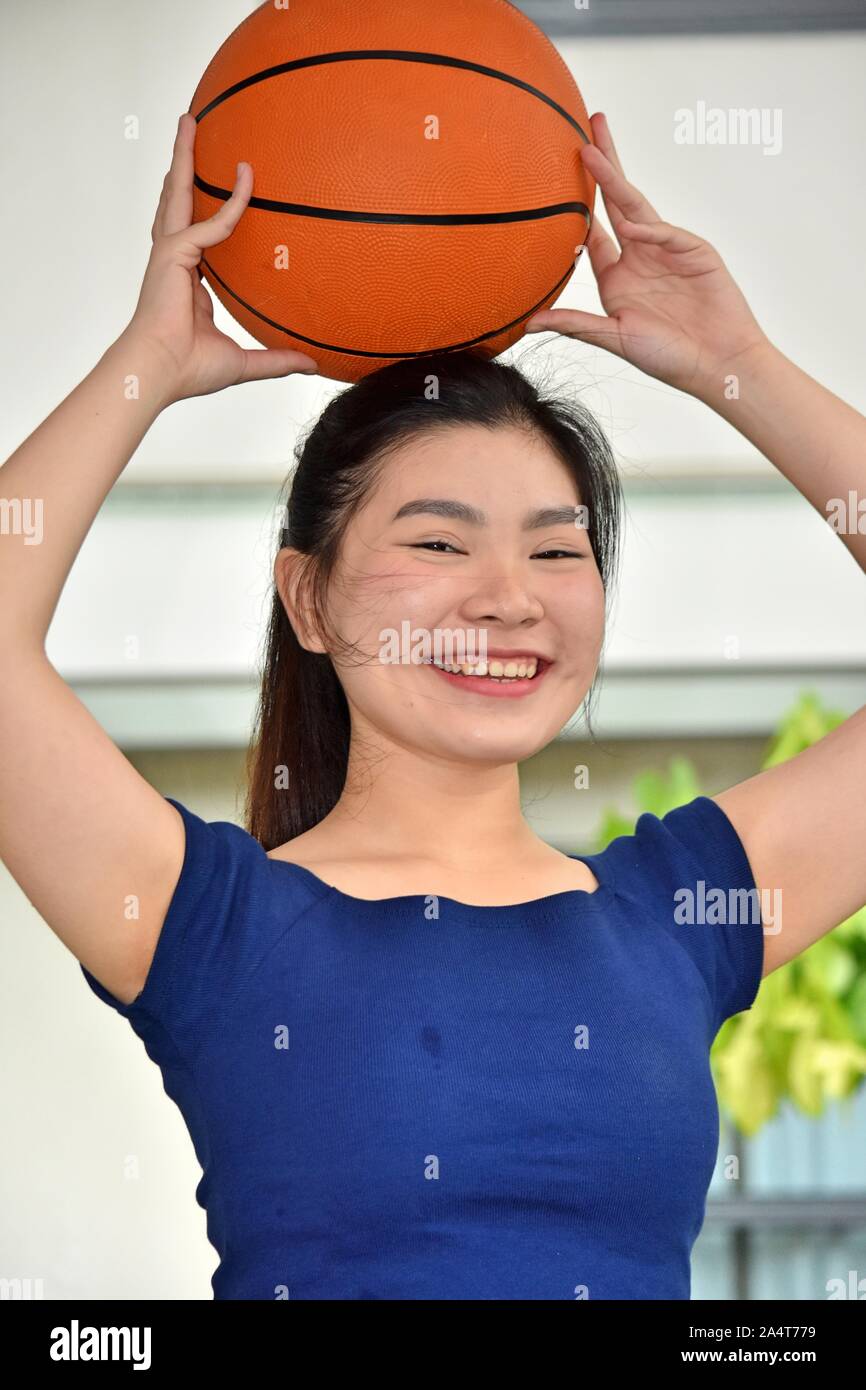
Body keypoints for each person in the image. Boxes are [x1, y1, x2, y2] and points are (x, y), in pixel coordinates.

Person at [2, 110, 864, 1301]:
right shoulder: (213, 931)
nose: (508, 600)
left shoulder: (680, 915)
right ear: (308, 598)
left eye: (556, 553)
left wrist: (739, 368)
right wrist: (146, 362)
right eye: (437, 541)